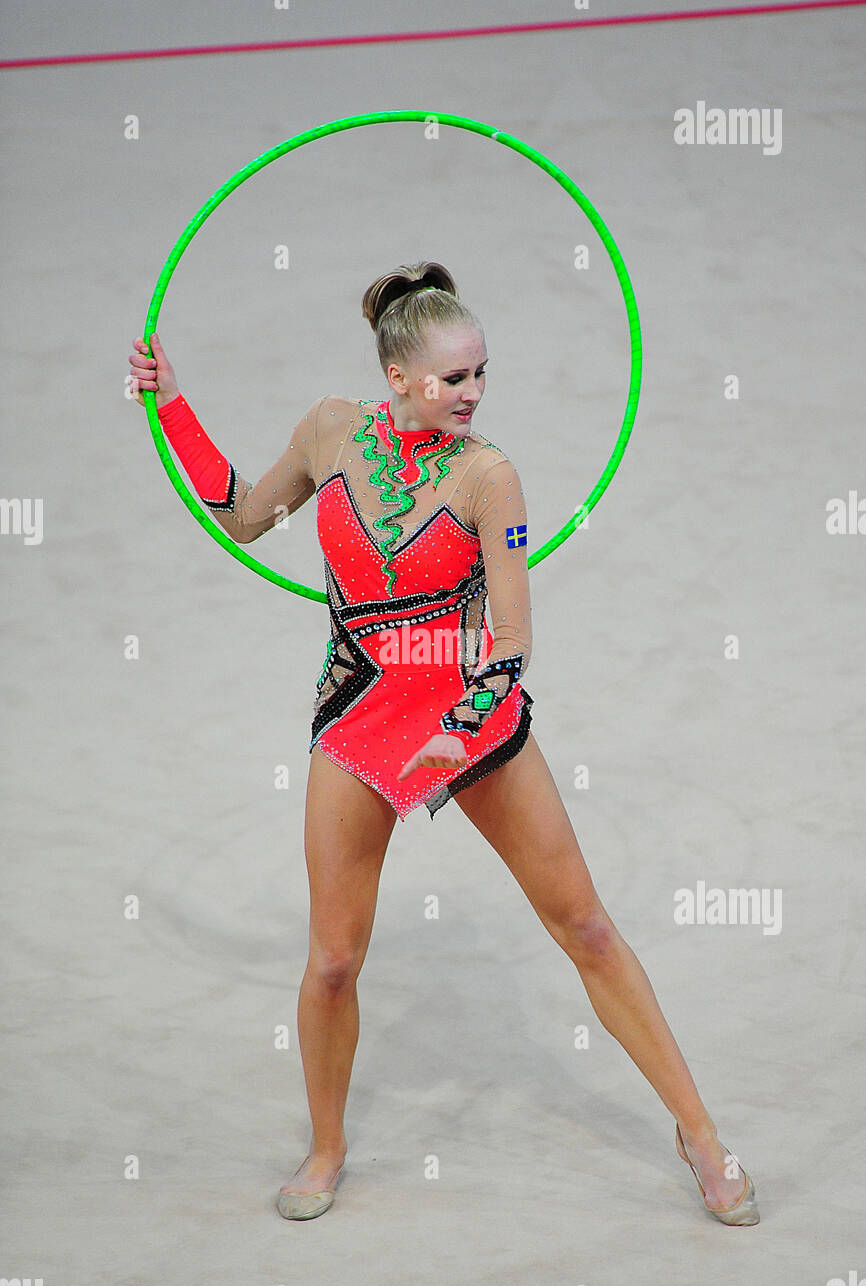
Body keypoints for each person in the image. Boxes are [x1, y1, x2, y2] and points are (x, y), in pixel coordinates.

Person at [127, 261, 759, 1226]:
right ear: (397, 377)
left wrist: (459, 731)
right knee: (333, 958)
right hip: (362, 707)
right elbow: (240, 516)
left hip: (466, 708)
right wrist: (173, 407)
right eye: (454, 379)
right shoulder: (328, 432)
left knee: (584, 926)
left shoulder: (488, 477)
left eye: (480, 376)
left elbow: (511, 641)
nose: (473, 395)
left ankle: (702, 1137)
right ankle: (327, 1146)